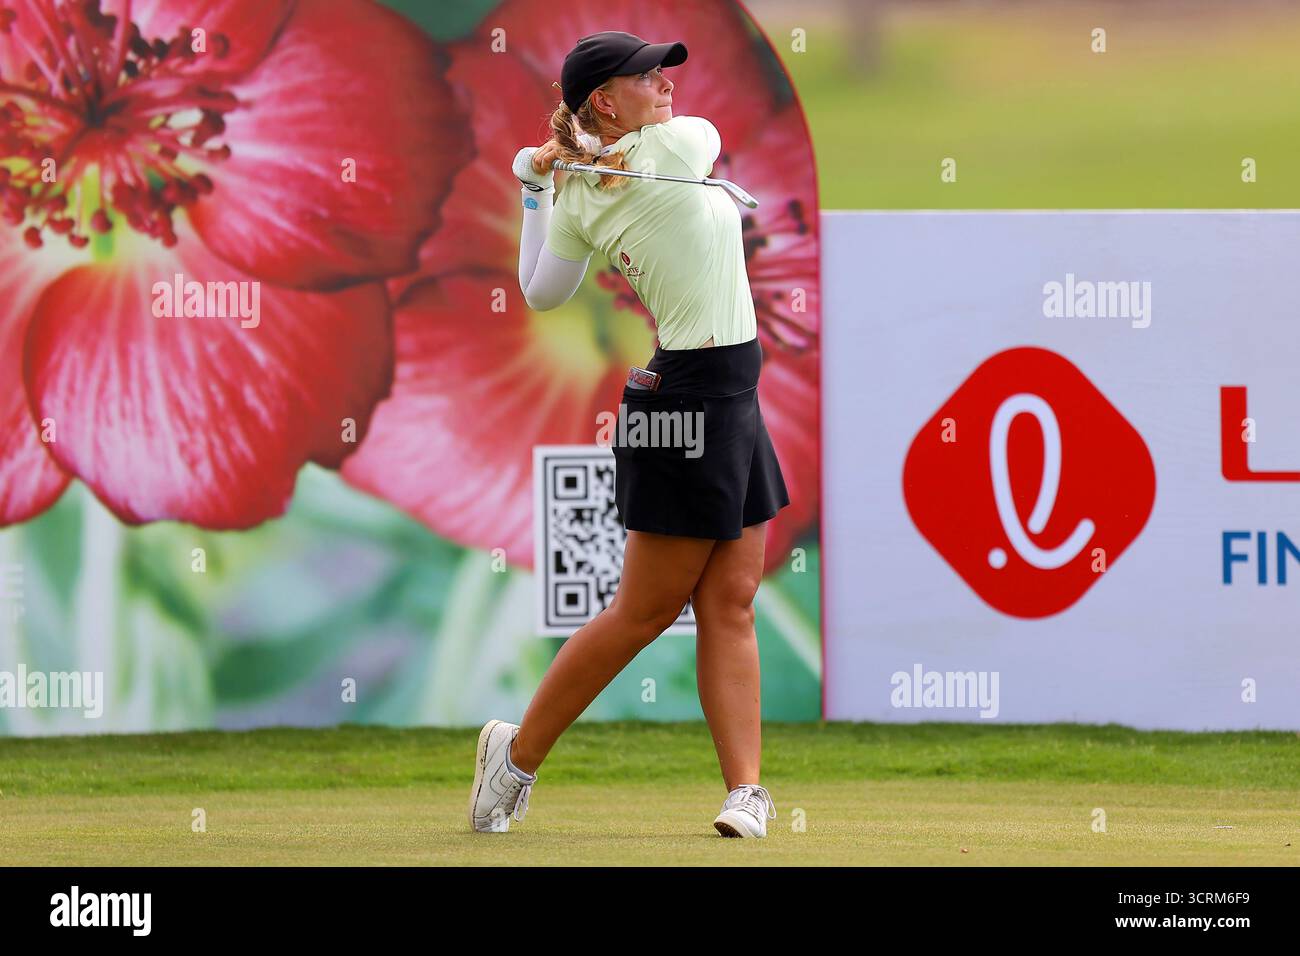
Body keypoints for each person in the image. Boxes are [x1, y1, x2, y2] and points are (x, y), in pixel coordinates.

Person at [469, 30, 789, 838]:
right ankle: (513, 758)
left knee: (732, 599)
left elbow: (542, 280)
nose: (667, 83)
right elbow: (543, 293)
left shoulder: (606, 177)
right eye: (647, 75)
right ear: (605, 99)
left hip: (730, 390)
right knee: (644, 612)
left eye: (664, 71)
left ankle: (744, 792)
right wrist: (542, 191)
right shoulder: (666, 150)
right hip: (685, 401)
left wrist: (539, 187)